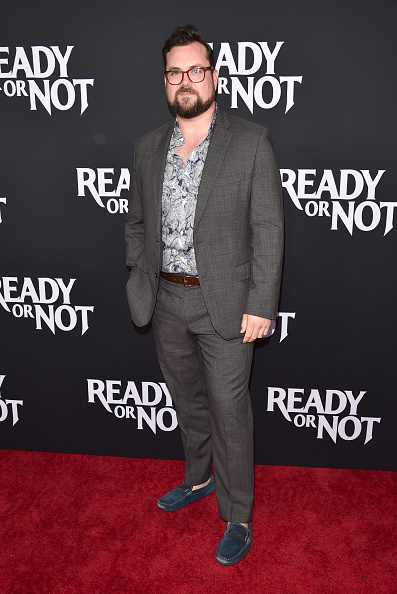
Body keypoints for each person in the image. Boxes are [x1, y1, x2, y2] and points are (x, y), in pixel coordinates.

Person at [125, 24, 284, 565]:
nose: (186, 81)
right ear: (165, 82)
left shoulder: (250, 141)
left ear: (213, 76)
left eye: (196, 70)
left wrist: (261, 304)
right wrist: (136, 274)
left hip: (226, 306)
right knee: (187, 402)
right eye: (176, 73)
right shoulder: (147, 148)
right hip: (166, 301)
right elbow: (137, 222)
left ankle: (237, 512)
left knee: (229, 410)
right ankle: (198, 481)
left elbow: (268, 228)